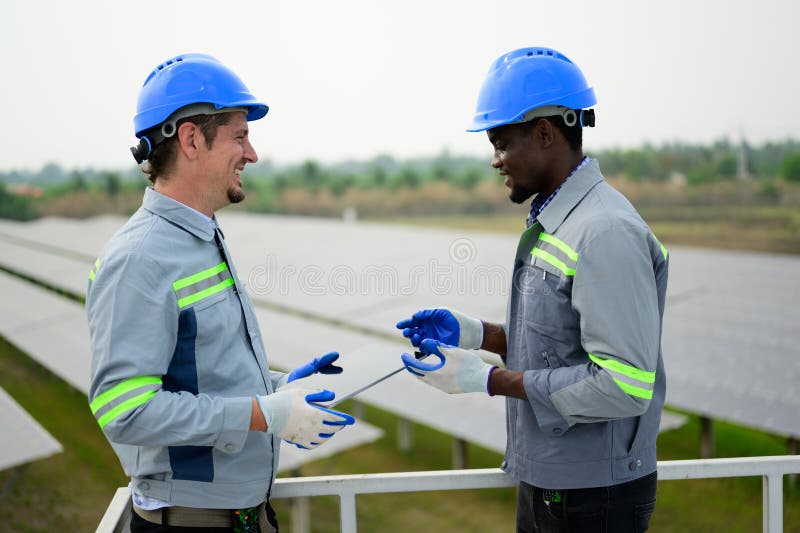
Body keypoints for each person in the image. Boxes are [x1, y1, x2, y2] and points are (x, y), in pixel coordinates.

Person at [397, 47, 668, 533]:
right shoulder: (559, 223)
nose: (496, 161)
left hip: (594, 500)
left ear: (544, 133)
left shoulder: (604, 231)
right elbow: (563, 343)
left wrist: (490, 381)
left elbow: (626, 384)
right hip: (554, 483)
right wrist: (477, 335)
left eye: (501, 143)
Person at [86, 53, 354, 533]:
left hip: (242, 516)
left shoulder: (202, 237)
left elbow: (197, 373)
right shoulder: (140, 258)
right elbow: (124, 409)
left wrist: (276, 388)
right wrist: (260, 413)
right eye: (240, 136)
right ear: (191, 140)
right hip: (191, 523)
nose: (251, 154)